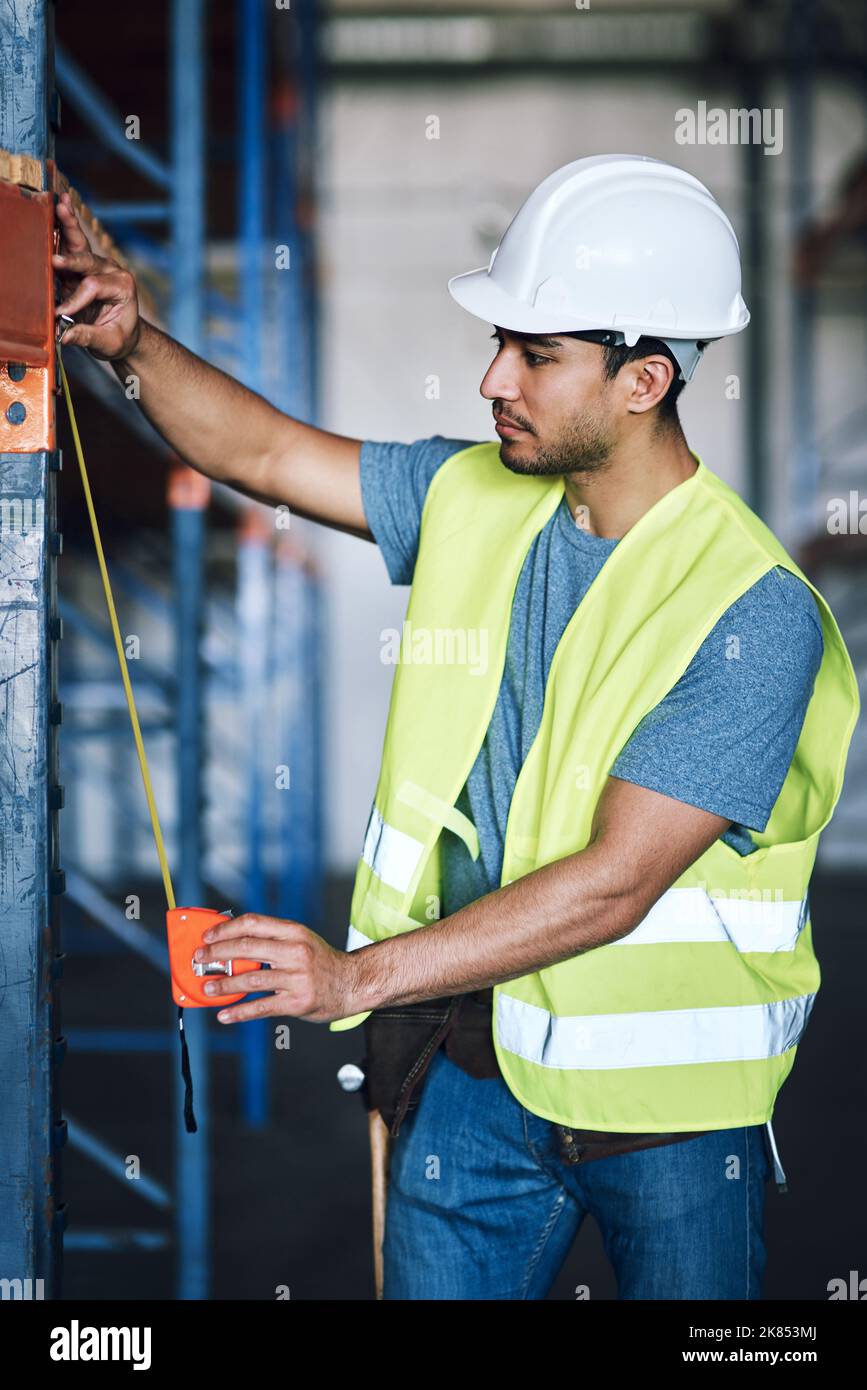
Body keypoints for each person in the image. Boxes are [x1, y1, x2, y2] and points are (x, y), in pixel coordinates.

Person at [53, 154, 859, 1301]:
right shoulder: (473, 497)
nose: (494, 377)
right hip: (465, 1070)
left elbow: (614, 885)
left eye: (537, 355)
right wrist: (132, 337)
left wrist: (353, 980)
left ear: (645, 380)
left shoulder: (751, 609)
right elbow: (266, 453)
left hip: (668, 1115)